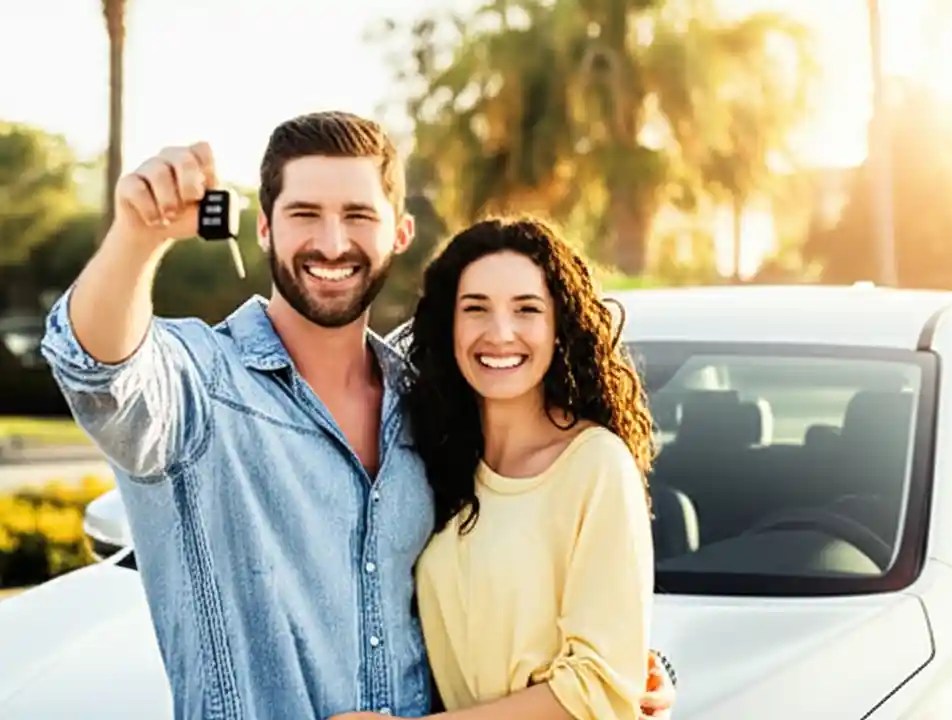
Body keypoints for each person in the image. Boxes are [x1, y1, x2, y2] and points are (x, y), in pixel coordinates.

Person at [39, 111, 674, 719]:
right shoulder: (201, 388)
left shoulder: (428, 410)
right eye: (305, 214)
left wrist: (625, 672)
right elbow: (100, 371)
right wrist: (136, 237)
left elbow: (502, 586)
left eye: (357, 215)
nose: (332, 242)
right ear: (265, 228)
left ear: (398, 233)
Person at [332, 217, 656, 720]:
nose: (500, 334)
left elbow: (600, 689)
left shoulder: (594, 466)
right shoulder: (430, 460)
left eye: (527, 309)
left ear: (559, 326)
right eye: (475, 309)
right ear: (450, 325)